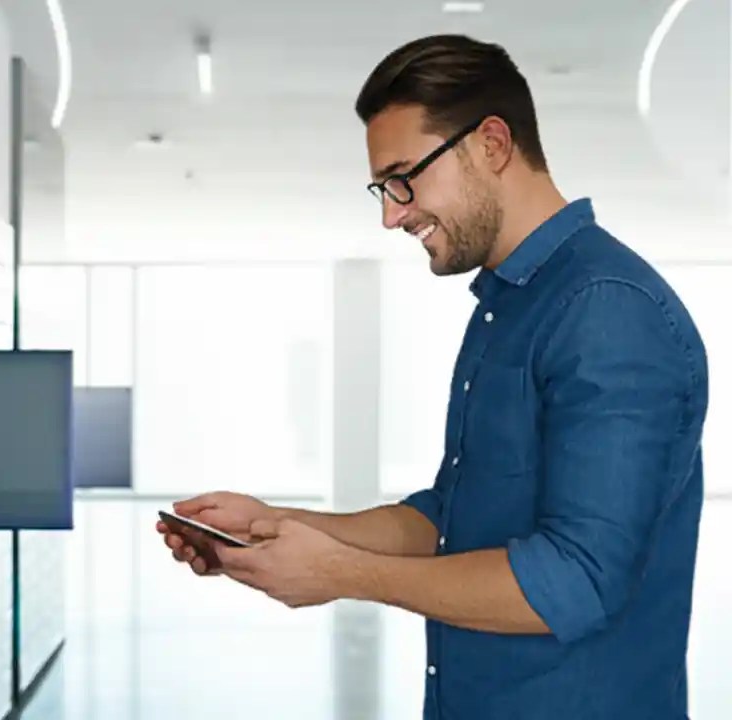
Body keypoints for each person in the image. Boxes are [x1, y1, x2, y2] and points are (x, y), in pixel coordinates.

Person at [158, 34, 708, 719]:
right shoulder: (509, 309)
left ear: (492, 144)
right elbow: (450, 519)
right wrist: (283, 525)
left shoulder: (608, 312)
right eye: (382, 189)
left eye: (403, 178)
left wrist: (341, 575)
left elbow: (578, 580)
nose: (392, 214)